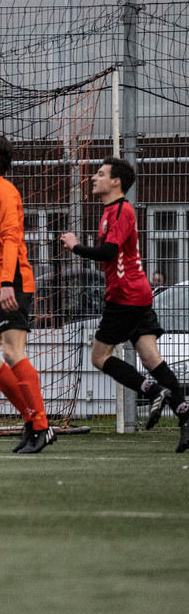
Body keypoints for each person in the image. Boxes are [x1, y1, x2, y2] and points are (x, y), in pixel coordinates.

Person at [60, 157, 189, 451]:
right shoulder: (109, 211)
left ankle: (153, 390)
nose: (94, 177)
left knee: (99, 356)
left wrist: (74, 245)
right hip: (136, 293)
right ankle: (185, 417)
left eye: (101, 173)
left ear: (115, 182)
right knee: (150, 358)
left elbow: (108, 252)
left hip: (126, 297)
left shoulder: (122, 210)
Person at [0, 133, 53, 454]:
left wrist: (7, 284)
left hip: (13, 281)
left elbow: (12, 241)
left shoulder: (5, 192)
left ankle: (41, 426)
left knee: (12, 353)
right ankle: (31, 419)